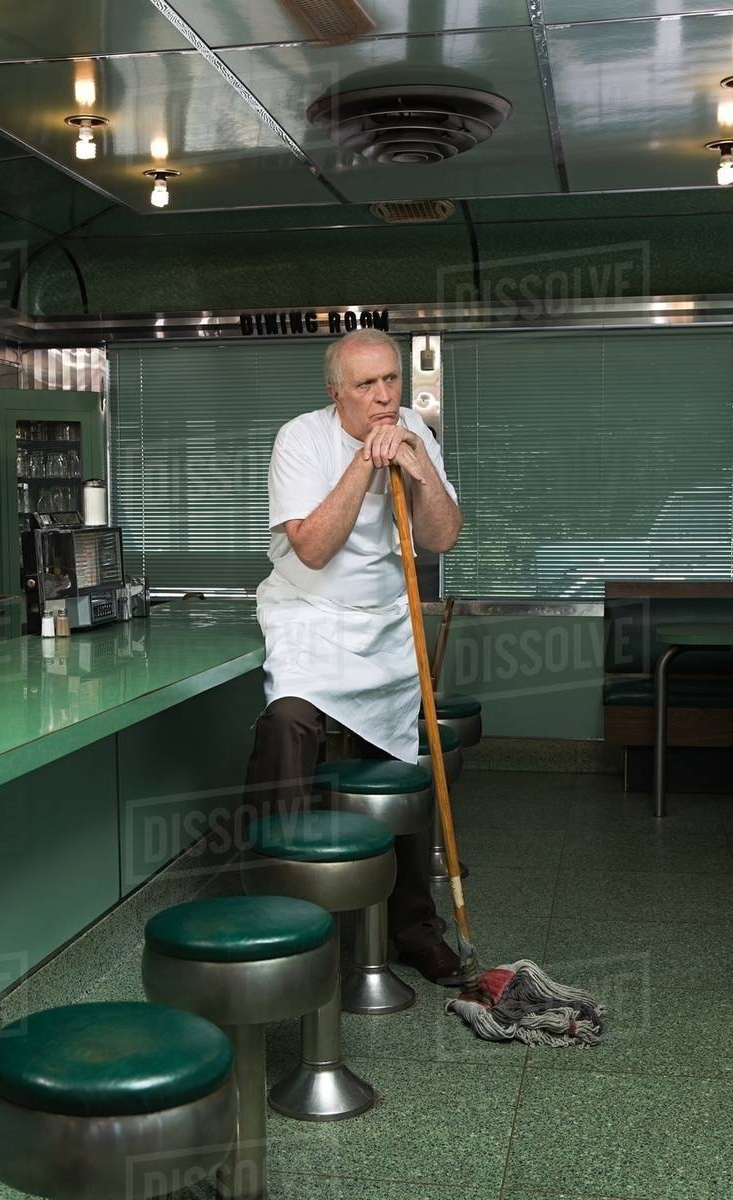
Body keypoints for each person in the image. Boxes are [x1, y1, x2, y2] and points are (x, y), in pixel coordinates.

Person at [244, 328, 464, 984]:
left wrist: (420, 471)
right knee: (288, 722)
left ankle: (415, 927)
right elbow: (311, 547)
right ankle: (275, 908)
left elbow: (442, 539)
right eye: (366, 385)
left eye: (391, 380)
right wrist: (364, 463)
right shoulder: (301, 439)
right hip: (309, 616)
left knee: (398, 755)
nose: (384, 396)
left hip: (382, 622)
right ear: (334, 392)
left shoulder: (416, 434)